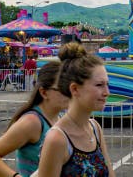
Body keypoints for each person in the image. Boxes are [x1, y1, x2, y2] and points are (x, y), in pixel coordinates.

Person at [0, 61, 69, 177]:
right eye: (63, 88)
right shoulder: (32, 122)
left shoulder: (59, 118)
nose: (70, 93)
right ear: (44, 92)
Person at [35, 43, 113, 177]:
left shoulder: (95, 129)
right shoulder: (57, 139)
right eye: (99, 85)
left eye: (107, 84)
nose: (107, 92)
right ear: (75, 89)